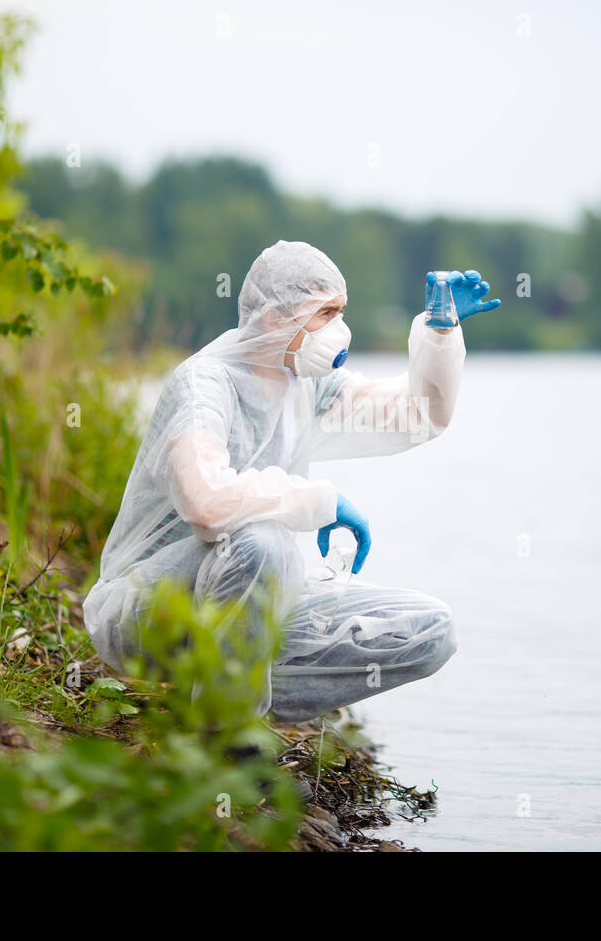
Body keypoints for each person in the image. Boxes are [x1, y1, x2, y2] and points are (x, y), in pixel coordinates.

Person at [83, 240, 499, 722]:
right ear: (275, 317)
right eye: (324, 313)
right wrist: (318, 501)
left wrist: (439, 335)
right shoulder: (203, 386)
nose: (340, 330)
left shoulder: (306, 384)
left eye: (341, 311)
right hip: (145, 610)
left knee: (427, 629)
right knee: (261, 540)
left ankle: (219, 698)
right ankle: (227, 745)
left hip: (246, 602)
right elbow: (206, 504)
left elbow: (414, 416)